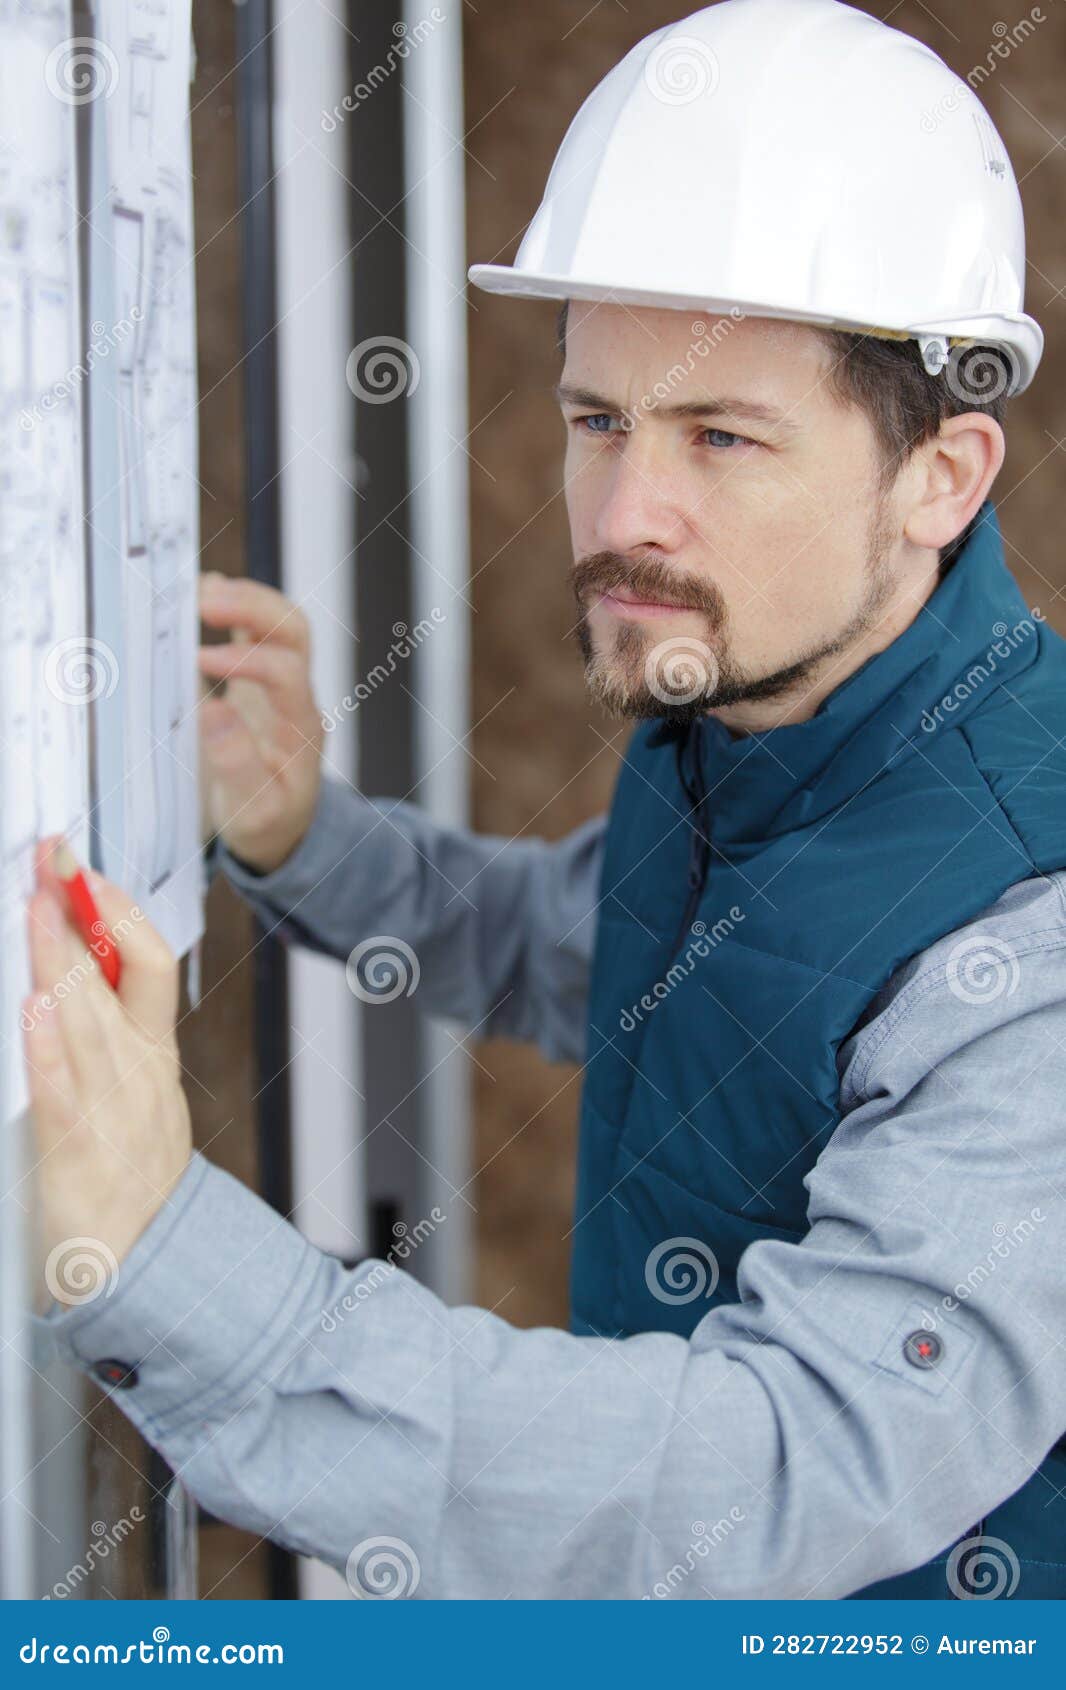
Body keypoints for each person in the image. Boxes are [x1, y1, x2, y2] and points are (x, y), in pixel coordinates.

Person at [23, 0, 1066, 1599]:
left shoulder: (1025, 938)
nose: (625, 511)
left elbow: (774, 1469)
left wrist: (178, 1273)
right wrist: (311, 836)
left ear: (943, 475)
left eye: (721, 437)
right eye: (597, 420)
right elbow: (597, 944)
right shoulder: (760, 712)